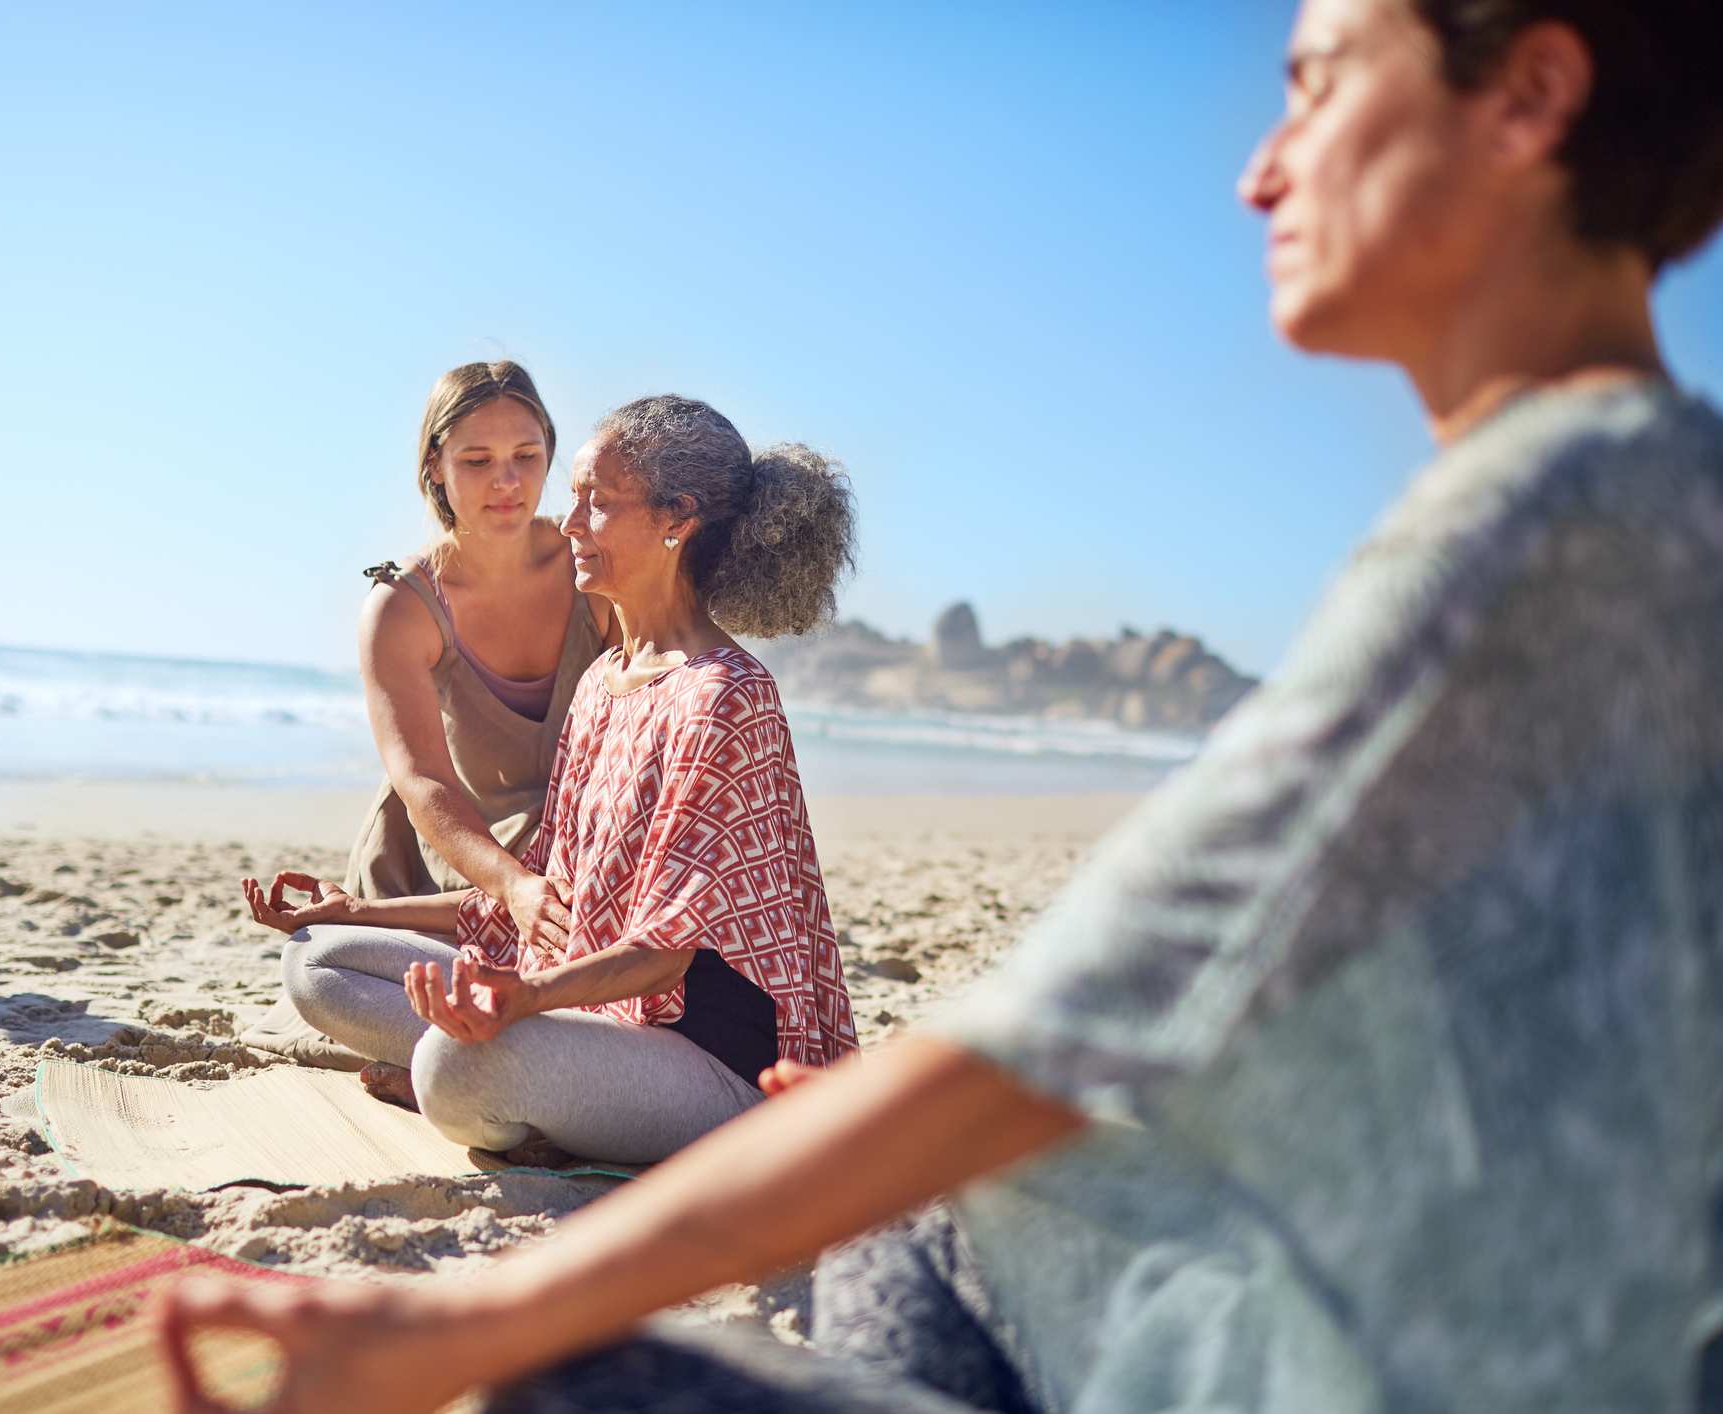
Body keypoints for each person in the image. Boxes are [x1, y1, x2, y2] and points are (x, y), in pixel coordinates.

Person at [160, 0, 1723, 1409]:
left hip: (1278, 1346)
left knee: (568, 1380)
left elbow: (1024, 1051)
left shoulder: (1544, 542)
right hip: (1126, 1287)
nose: (1259, 169)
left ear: (1526, 97)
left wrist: (465, 1327)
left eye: (1311, 87)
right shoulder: (1639, 499)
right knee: (890, 1259)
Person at [239, 395, 860, 1165]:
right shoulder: (604, 680)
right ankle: (543, 1096)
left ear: (678, 521)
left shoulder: (726, 694)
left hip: (714, 1068)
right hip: (590, 1012)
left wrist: (522, 1002)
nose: (567, 523)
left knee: (451, 1065)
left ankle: (534, 1105)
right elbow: (548, 899)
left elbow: (665, 954)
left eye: (595, 503)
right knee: (319, 958)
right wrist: (361, 907)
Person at [242, 362, 609, 1064]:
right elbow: (421, 783)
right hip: (452, 861)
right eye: (476, 460)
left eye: (526, 457)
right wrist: (513, 886)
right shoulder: (403, 607)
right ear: (434, 467)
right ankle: (491, 1052)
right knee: (320, 967)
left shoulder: (591, 567)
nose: (506, 480)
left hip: (580, 852)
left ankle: (477, 1057)